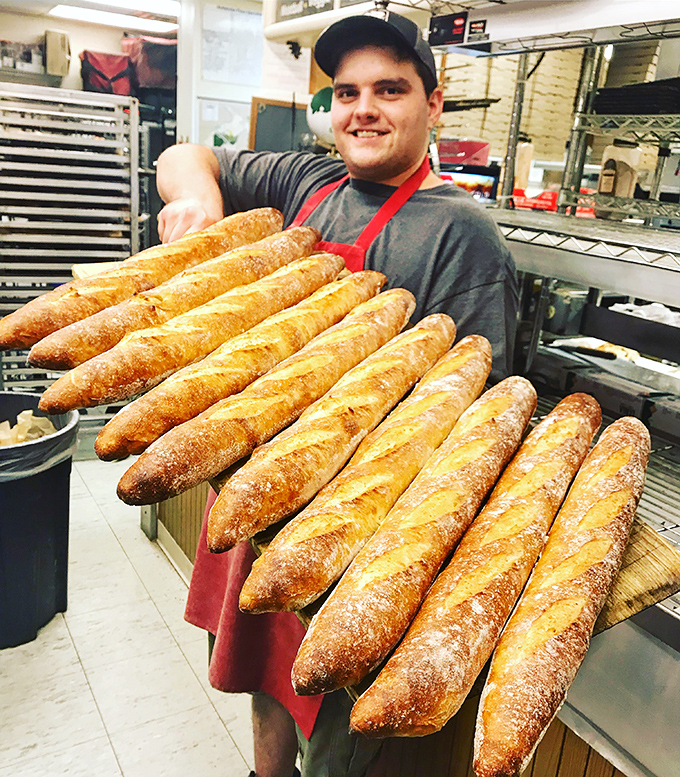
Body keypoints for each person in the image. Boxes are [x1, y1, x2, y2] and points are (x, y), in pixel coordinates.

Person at [155, 9, 518, 777]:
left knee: (339, 721)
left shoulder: (462, 234)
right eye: (346, 92)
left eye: (389, 89)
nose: (362, 109)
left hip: (362, 534)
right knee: (261, 674)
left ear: (433, 102)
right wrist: (198, 201)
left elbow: (476, 426)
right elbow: (187, 154)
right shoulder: (306, 178)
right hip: (264, 493)